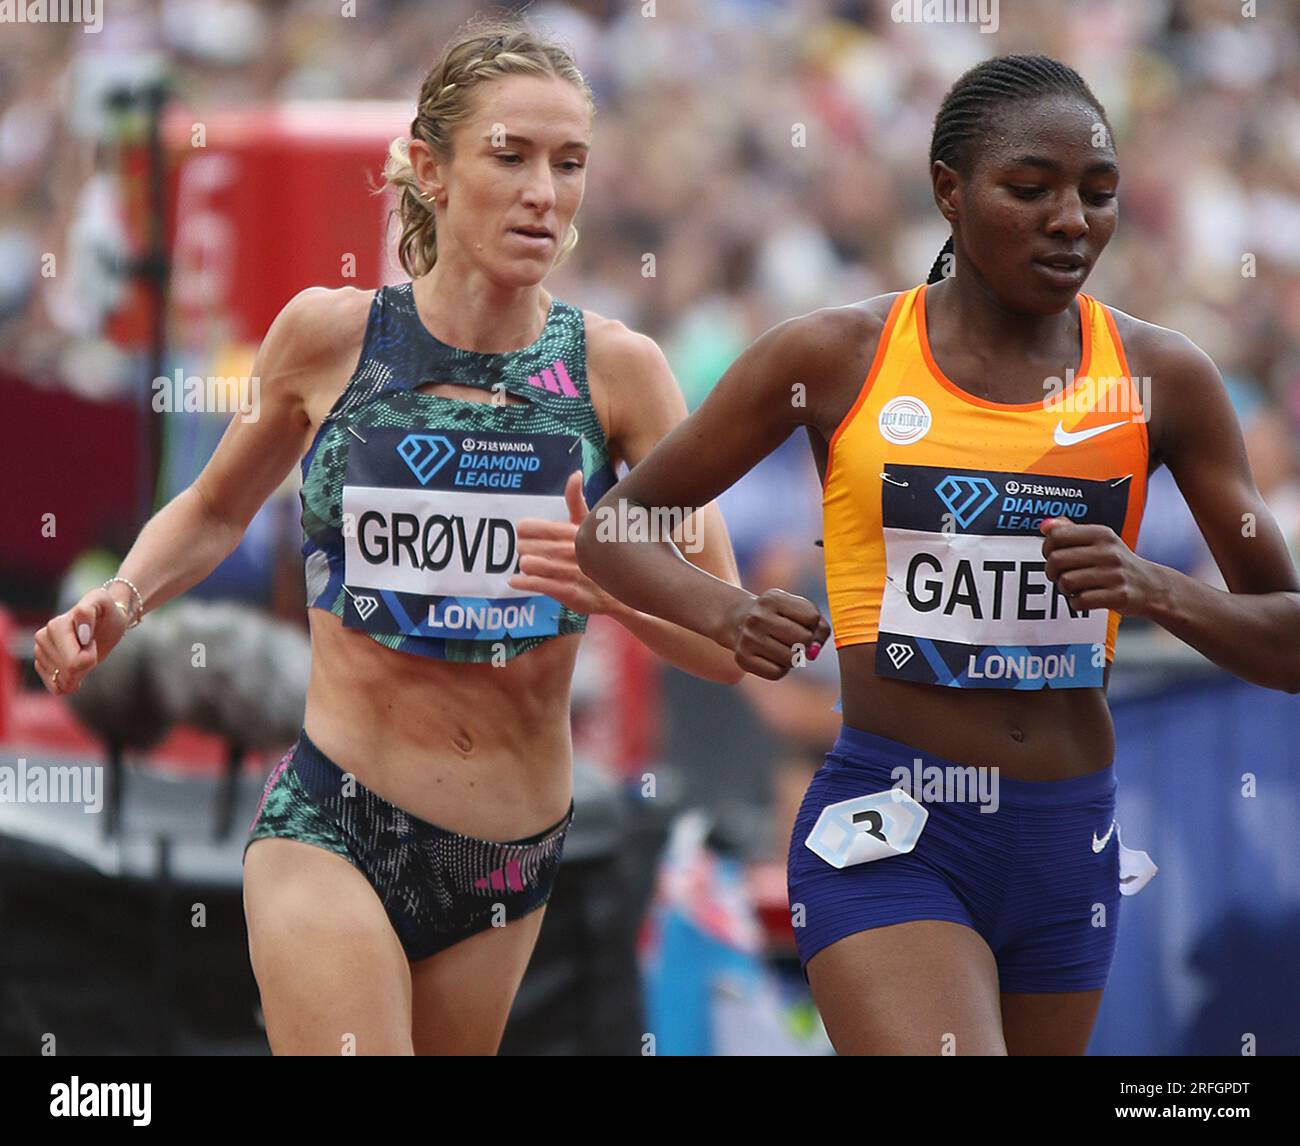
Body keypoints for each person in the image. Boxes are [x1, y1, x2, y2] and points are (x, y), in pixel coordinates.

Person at [32, 18, 742, 1056]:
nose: (544, 192)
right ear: (429, 169)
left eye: (569, 162)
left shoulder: (619, 373)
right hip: (335, 818)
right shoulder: (330, 336)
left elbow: (723, 642)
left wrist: (613, 589)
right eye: (510, 156)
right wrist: (123, 599)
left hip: (506, 855)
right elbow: (218, 508)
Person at [574, 54, 1300, 1055]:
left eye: (1097, 194)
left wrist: (1159, 591)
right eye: (1030, 189)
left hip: (1067, 838)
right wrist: (724, 612)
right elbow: (614, 527)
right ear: (948, 190)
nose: (1070, 221)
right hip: (895, 823)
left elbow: (1286, 639)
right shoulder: (833, 356)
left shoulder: (1161, 377)